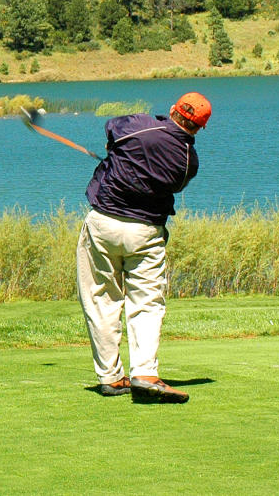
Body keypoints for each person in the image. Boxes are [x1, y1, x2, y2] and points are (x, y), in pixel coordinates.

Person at [76, 91, 211, 404]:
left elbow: (112, 127)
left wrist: (115, 150)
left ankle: (110, 377)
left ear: (174, 109)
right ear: (199, 128)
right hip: (146, 232)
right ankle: (145, 374)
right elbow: (174, 183)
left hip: (103, 222)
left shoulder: (140, 124)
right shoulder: (189, 160)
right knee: (147, 302)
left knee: (101, 300)